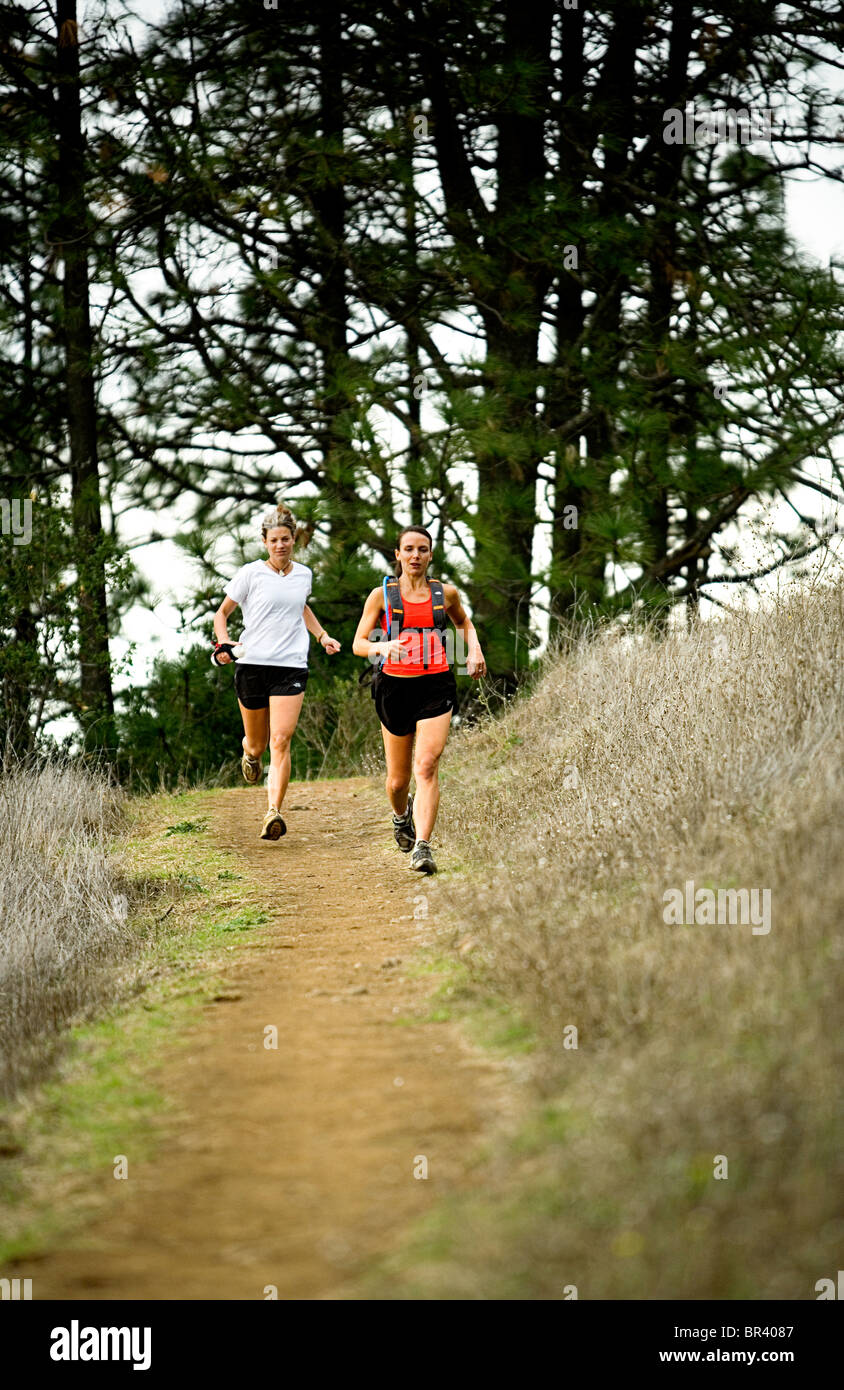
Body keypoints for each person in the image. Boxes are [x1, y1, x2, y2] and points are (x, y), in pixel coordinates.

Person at [352, 526, 486, 873]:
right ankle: (401, 817)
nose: (415, 556)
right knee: (397, 782)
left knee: (426, 766)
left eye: (422, 550)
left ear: (430, 555)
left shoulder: (447, 594)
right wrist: (380, 646)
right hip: (394, 688)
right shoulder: (381, 596)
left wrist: (474, 649)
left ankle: (423, 847)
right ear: (397, 555)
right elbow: (359, 643)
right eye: (408, 549)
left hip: (435, 686)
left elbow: (464, 624)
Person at [213, 505, 340, 840]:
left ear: (294, 540)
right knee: (258, 744)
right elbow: (221, 614)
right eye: (274, 540)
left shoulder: (304, 575)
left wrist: (322, 635)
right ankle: (250, 755)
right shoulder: (250, 574)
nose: (280, 545)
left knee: (281, 740)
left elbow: (300, 607)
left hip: (290, 665)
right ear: (265, 542)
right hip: (253, 664)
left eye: (286, 539)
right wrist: (225, 643)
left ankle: (273, 812)